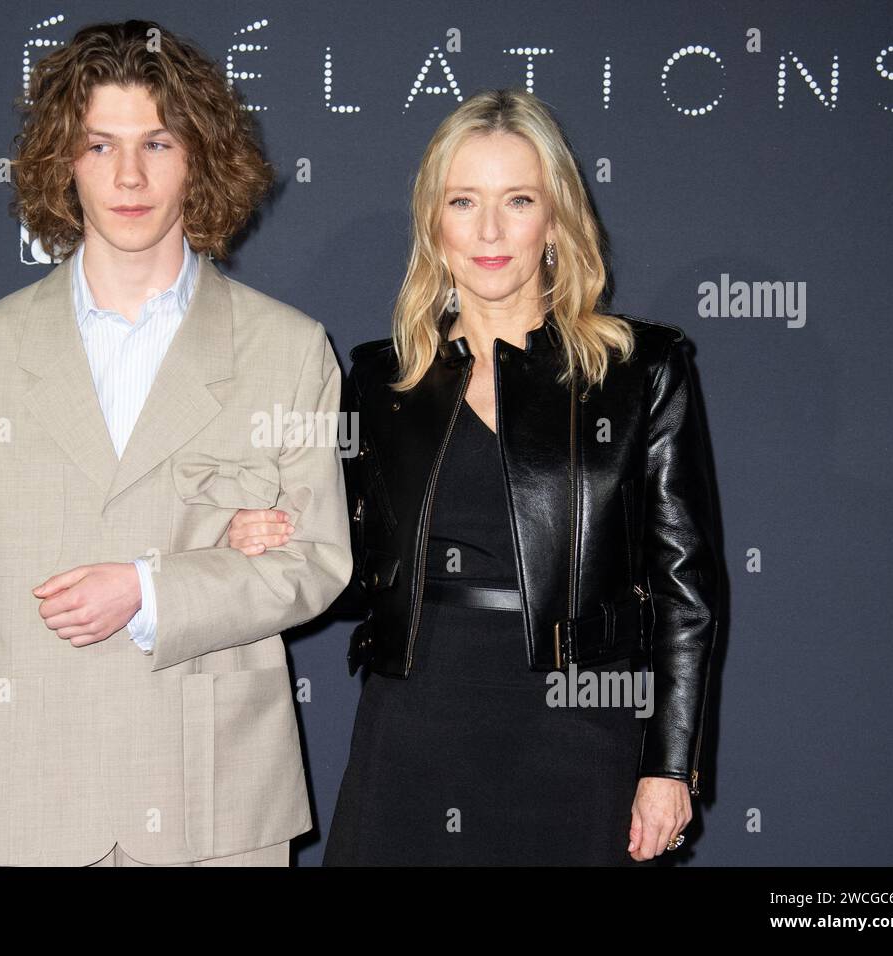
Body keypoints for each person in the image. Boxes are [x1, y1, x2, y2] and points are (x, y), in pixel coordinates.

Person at [228, 88, 721, 865]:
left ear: (554, 220)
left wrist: (669, 764)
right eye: (464, 201)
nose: (489, 231)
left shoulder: (639, 370)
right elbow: (354, 574)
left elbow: (685, 588)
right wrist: (278, 534)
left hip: (579, 728)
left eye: (517, 200)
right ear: (434, 222)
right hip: (415, 724)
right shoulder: (382, 380)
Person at [0, 19, 352, 867]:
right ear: (62, 161)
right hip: (34, 792)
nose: (128, 176)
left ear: (200, 158)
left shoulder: (289, 348)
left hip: (218, 800)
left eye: (157, 143)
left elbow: (317, 562)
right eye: (99, 145)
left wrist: (153, 590)